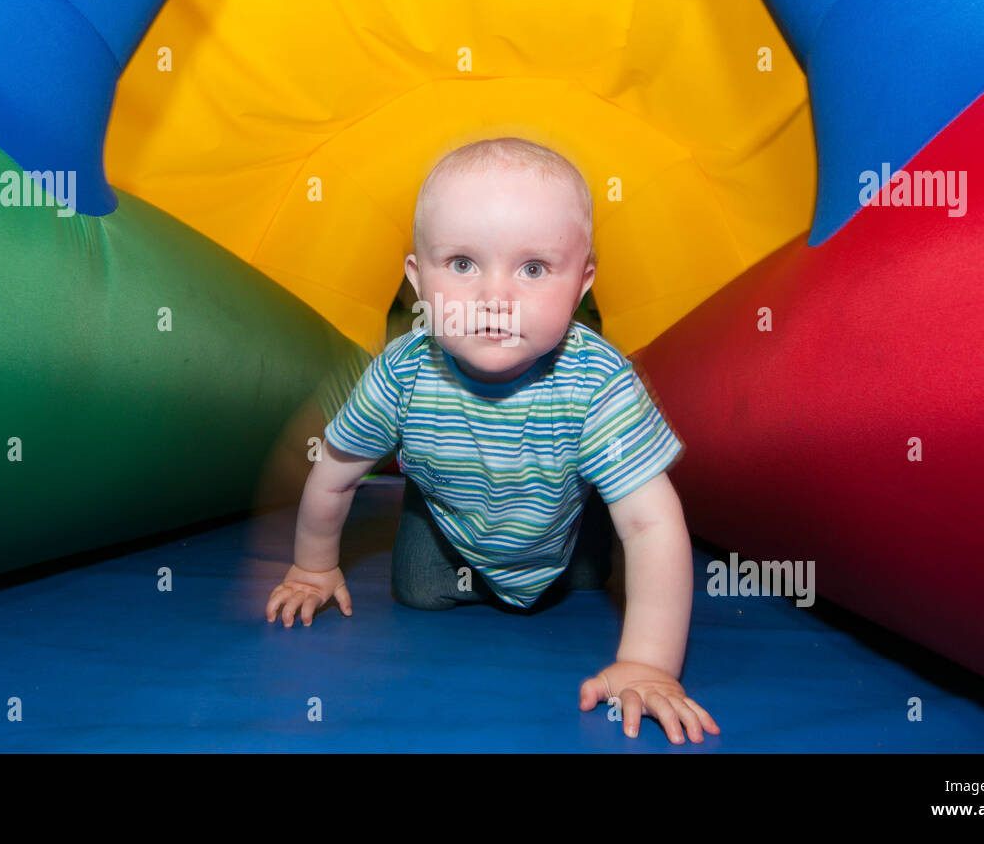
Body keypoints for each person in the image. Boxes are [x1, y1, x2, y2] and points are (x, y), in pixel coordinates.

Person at [266, 137, 720, 745]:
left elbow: (652, 525)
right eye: (461, 264)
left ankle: (574, 546)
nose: (495, 298)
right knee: (418, 592)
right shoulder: (404, 372)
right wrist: (312, 566)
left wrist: (649, 663)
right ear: (417, 279)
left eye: (534, 269)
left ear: (582, 283)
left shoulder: (595, 379)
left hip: (557, 517)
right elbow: (336, 471)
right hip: (452, 523)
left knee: (590, 571)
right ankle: (433, 515)